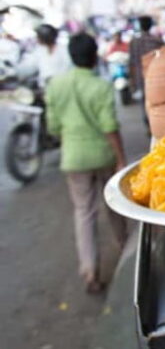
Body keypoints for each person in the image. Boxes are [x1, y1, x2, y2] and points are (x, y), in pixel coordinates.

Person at [45, 33, 128, 293]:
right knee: (115, 206)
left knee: (84, 212)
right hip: (103, 155)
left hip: (73, 158)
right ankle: (126, 255)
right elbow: (109, 127)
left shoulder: (55, 85)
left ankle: (90, 272)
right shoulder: (101, 86)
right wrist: (121, 159)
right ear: (94, 56)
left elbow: (54, 126)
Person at [128, 16, 163, 95]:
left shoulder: (134, 42)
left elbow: (131, 63)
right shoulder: (158, 41)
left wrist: (132, 80)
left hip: (141, 78)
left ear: (140, 26)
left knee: (145, 101)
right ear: (151, 25)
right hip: (157, 76)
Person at [34, 23, 71, 88]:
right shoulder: (39, 51)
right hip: (44, 88)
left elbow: (67, 68)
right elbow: (29, 65)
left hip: (61, 87)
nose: (37, 39)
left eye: (38, 36)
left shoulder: (63, 50)